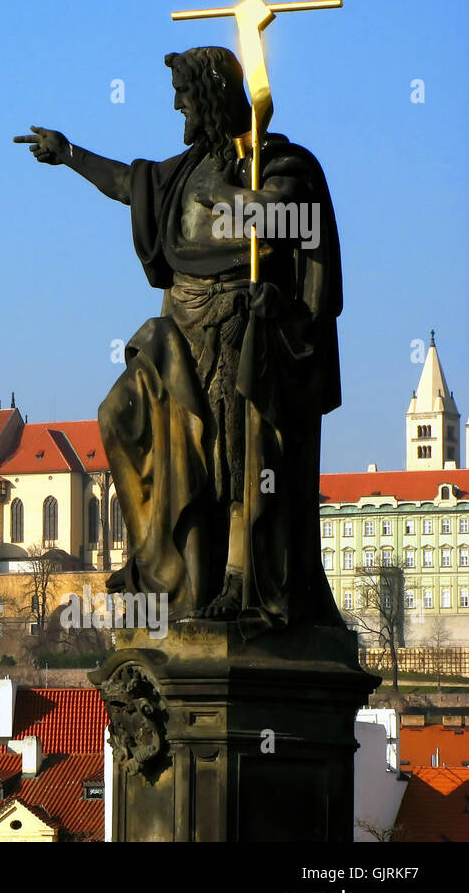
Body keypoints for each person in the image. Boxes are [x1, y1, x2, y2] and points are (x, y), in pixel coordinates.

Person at [17, 45, 343, 636]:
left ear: (211, 99)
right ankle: (160, 564)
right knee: (119, 415)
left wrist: (238, 207)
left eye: (185, 98)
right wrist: (68, 155)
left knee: (239, 460)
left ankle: (240, 584)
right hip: (181, 332)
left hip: (245, 329)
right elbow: (128, 183)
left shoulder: (273, 160)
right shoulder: (186, 170)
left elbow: (291, 218)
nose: (178, 109)